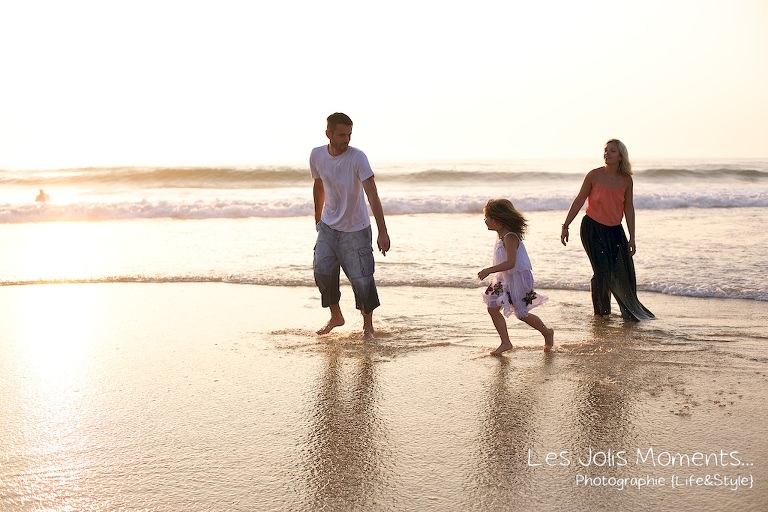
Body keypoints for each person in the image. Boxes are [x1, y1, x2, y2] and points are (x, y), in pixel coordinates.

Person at [310, 112, 390, 340]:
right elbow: (318, 185)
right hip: (328, 226)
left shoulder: (358, 157)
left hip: (356, 229)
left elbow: (372, 194)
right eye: (342, 135)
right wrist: (317, 218)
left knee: (362, 278)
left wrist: (382, 231)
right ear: (329, 134)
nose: (347, 140)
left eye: (349, 135)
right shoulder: (317, 155)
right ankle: (336, 316)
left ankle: (368, 327)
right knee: (322, 271)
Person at [560, 139, 655, 321]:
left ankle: (611, 312)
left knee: (620, 272)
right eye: (605, 150)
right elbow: (579, 200)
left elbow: (629, 208)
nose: (607, 153)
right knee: (601, 270)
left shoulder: (627, 180)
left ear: (620, 156)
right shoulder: (594, 175)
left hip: (615, 232)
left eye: (612, 151)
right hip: (592, 228)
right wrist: (566, 225)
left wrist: (632, 237)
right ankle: (600, 313)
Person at [478, 198, 554, 355]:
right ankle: (505, 342)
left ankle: (547, 332)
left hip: (517, 279)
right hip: (502, 278)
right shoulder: (500, 235)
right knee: (492, 308)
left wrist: (488, 270)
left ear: (498, 220)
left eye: (487, 218)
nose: (485, 221)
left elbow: (511, 263)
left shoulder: (510, 237)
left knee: (521, 314)